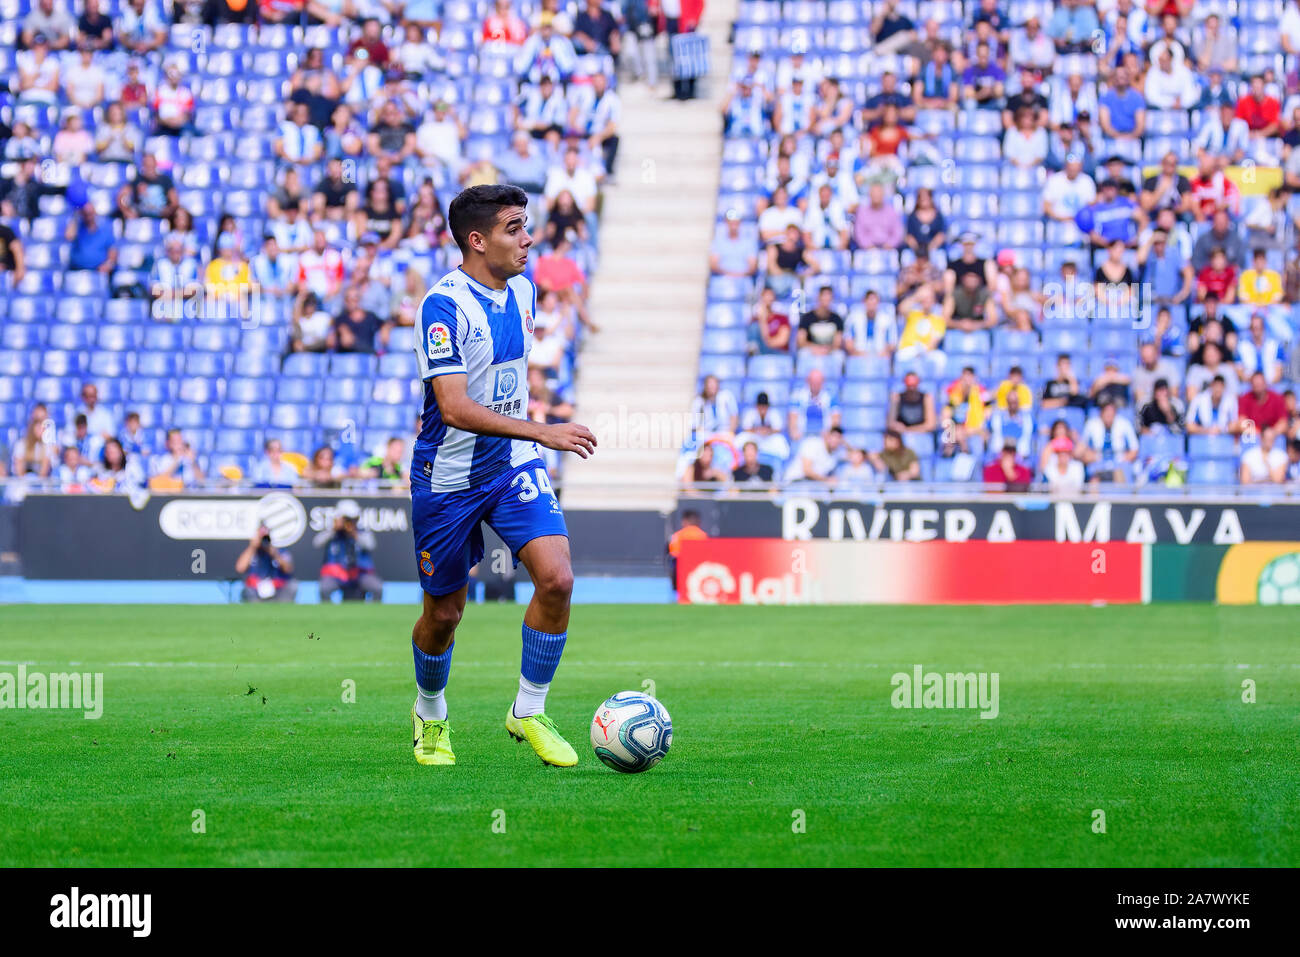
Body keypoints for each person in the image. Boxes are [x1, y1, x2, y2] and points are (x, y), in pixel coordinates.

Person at [407, 184, 597, 768]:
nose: (528, 237)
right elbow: (457, 407)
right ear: (476, 239)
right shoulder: (443, 307)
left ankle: (528, 710)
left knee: (558, 580)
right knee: (445, 614)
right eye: (514, 227)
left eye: (526, 224)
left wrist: (530, 435)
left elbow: (506, 378)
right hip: (450, 473)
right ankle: (430, 715)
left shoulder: (524, 290)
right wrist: (544, 430)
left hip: (511, 463)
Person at [316, 500, 383, 603]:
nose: (350, 522)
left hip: (360, 574)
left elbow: (370, 545)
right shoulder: (333, 533)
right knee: (325, 588)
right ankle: (328, 615)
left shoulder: (362, 532)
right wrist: (334, 529)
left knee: (377, 588)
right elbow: (317, 543)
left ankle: (373, 615)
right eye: (346, 519)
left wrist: (354, 534)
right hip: (336, 574)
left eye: (352, 519)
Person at [236, 524, 298, 603]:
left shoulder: (279, 551)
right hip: (256, 589)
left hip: (277, 588)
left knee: (293, 585)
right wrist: (252, 547)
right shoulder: (252, 552)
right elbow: (240, 568)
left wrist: (274, 554)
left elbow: (288, 569)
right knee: (246, 590)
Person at [667, 511, 708, 589]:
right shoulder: (703, 535)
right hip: (700, 571)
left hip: (682, 571)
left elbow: (674, 553)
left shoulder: (678, 535)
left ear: (684, 521)